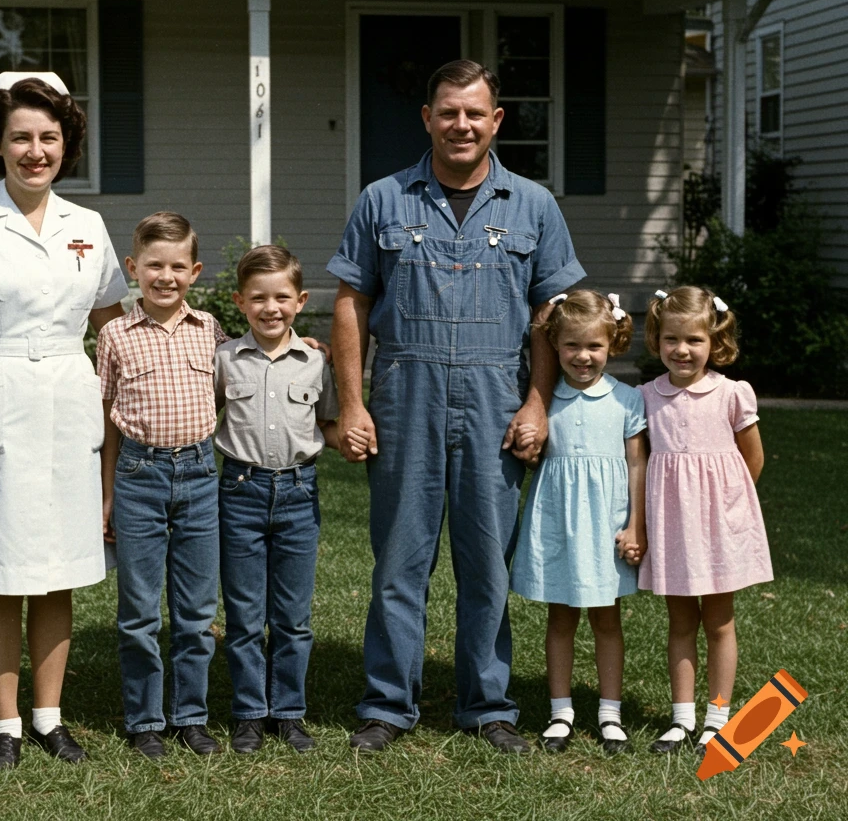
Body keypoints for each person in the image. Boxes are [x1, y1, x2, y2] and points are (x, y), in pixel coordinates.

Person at [329, 59, 585, 753]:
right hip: (405, 395)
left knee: (487, 563)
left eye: (475, 113)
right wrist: (352, 404)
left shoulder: (534, 205)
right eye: (448, 112)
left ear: (496, 120)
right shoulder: (383, 199)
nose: (461, 125)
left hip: (496, 399)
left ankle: (488, 705)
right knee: (399, 562)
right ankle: (387, 705)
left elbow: (551, 314)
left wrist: (538, 403)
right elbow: (350, 303)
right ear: (428, 119)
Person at [0, 73, 129, 770]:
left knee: (60, 568)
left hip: (70, 401)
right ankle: (5, 723)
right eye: (21, 138)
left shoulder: (87, 227)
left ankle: (49, 718)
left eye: (49, 137)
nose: (36, 151)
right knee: (1, 570)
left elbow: (116, 331)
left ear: (67, 144)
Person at [97, 212, 228, 758]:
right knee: (139, 613)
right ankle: (145, 720)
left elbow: (240, 381)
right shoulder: (114, 336)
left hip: (199, 477)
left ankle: (191, 716)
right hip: (137, 477)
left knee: (197, 613)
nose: (165, 277)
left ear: (194, 271)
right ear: (133, 268)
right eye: (154, 266)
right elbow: (107, 420)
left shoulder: (210, 331)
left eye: (177, 266)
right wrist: (107, 492)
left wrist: (302, 344)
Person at [213, 245, 341, 754]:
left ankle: (288, 712)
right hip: (239, 493)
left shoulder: (315, 361)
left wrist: (362, 440)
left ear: (300, 301)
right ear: (240, 302)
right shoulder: (224, 359)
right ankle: (249, 712)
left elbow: (329, 424)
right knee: (244, 615)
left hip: (297, 493)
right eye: (259, 298)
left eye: (282, 298)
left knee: (292, 616)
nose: (271, 308)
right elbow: (204, 416)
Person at [510, 290, 648, 756]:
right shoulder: (544, 400)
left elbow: (637, 464)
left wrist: (636, 525)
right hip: (559, 523)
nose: (582, 356)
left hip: (607, 524)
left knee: (608, 619)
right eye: (571, 345)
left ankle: (610, 713)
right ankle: (561, 711)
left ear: (612, 344)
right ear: (554, 344)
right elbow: (533, 455)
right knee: (561, 618)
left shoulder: (627, 400)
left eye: (594, 346)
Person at [638, 287, 771, 756]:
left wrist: (729, 510)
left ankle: (718, 719)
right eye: (671, 339)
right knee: (679, 622)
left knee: (718, 622)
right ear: (657, 340)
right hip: (672, 528)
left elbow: (752, 459)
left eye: (694, 339)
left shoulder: (731, 393)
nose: (682, 350)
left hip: (719, 529)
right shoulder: (646, 397)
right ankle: (681, 720)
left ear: (715, 341)